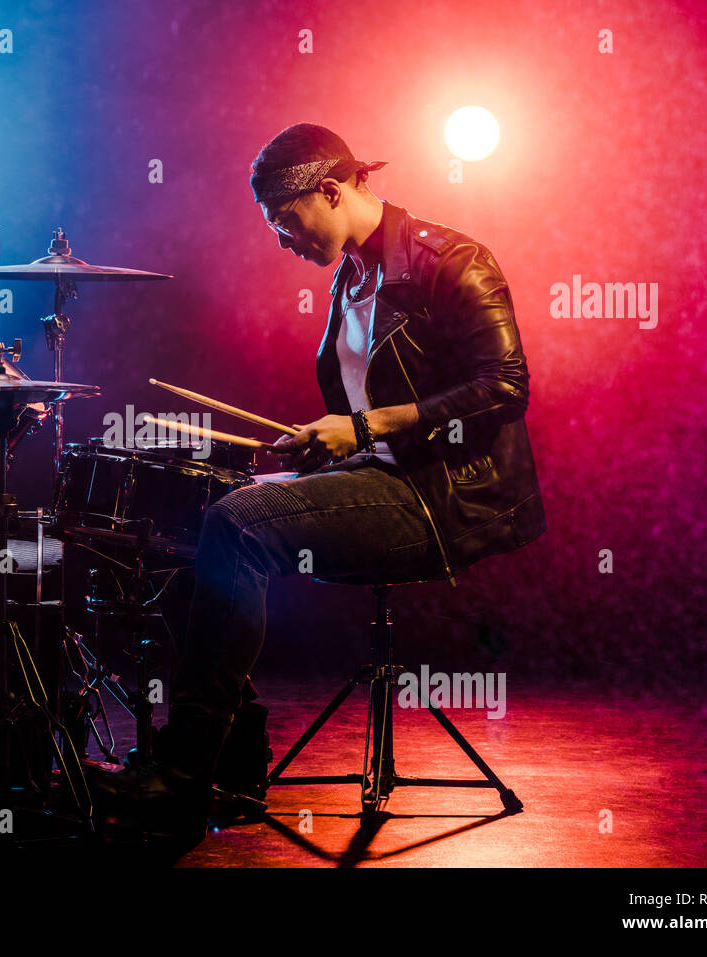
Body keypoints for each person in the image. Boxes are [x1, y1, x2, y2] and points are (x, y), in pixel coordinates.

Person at [89, 123, 545, 840]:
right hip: (384, 479)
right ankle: (232, 768)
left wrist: (364, 430)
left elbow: (506, 390)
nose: (279, 240)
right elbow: (365, 412)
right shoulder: (350, 279)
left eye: (283, 220)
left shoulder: (453, 260)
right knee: (203, 522)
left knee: (238, 526)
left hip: (443, 500)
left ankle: (185, 772)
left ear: (331, 190)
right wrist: (328, 445)